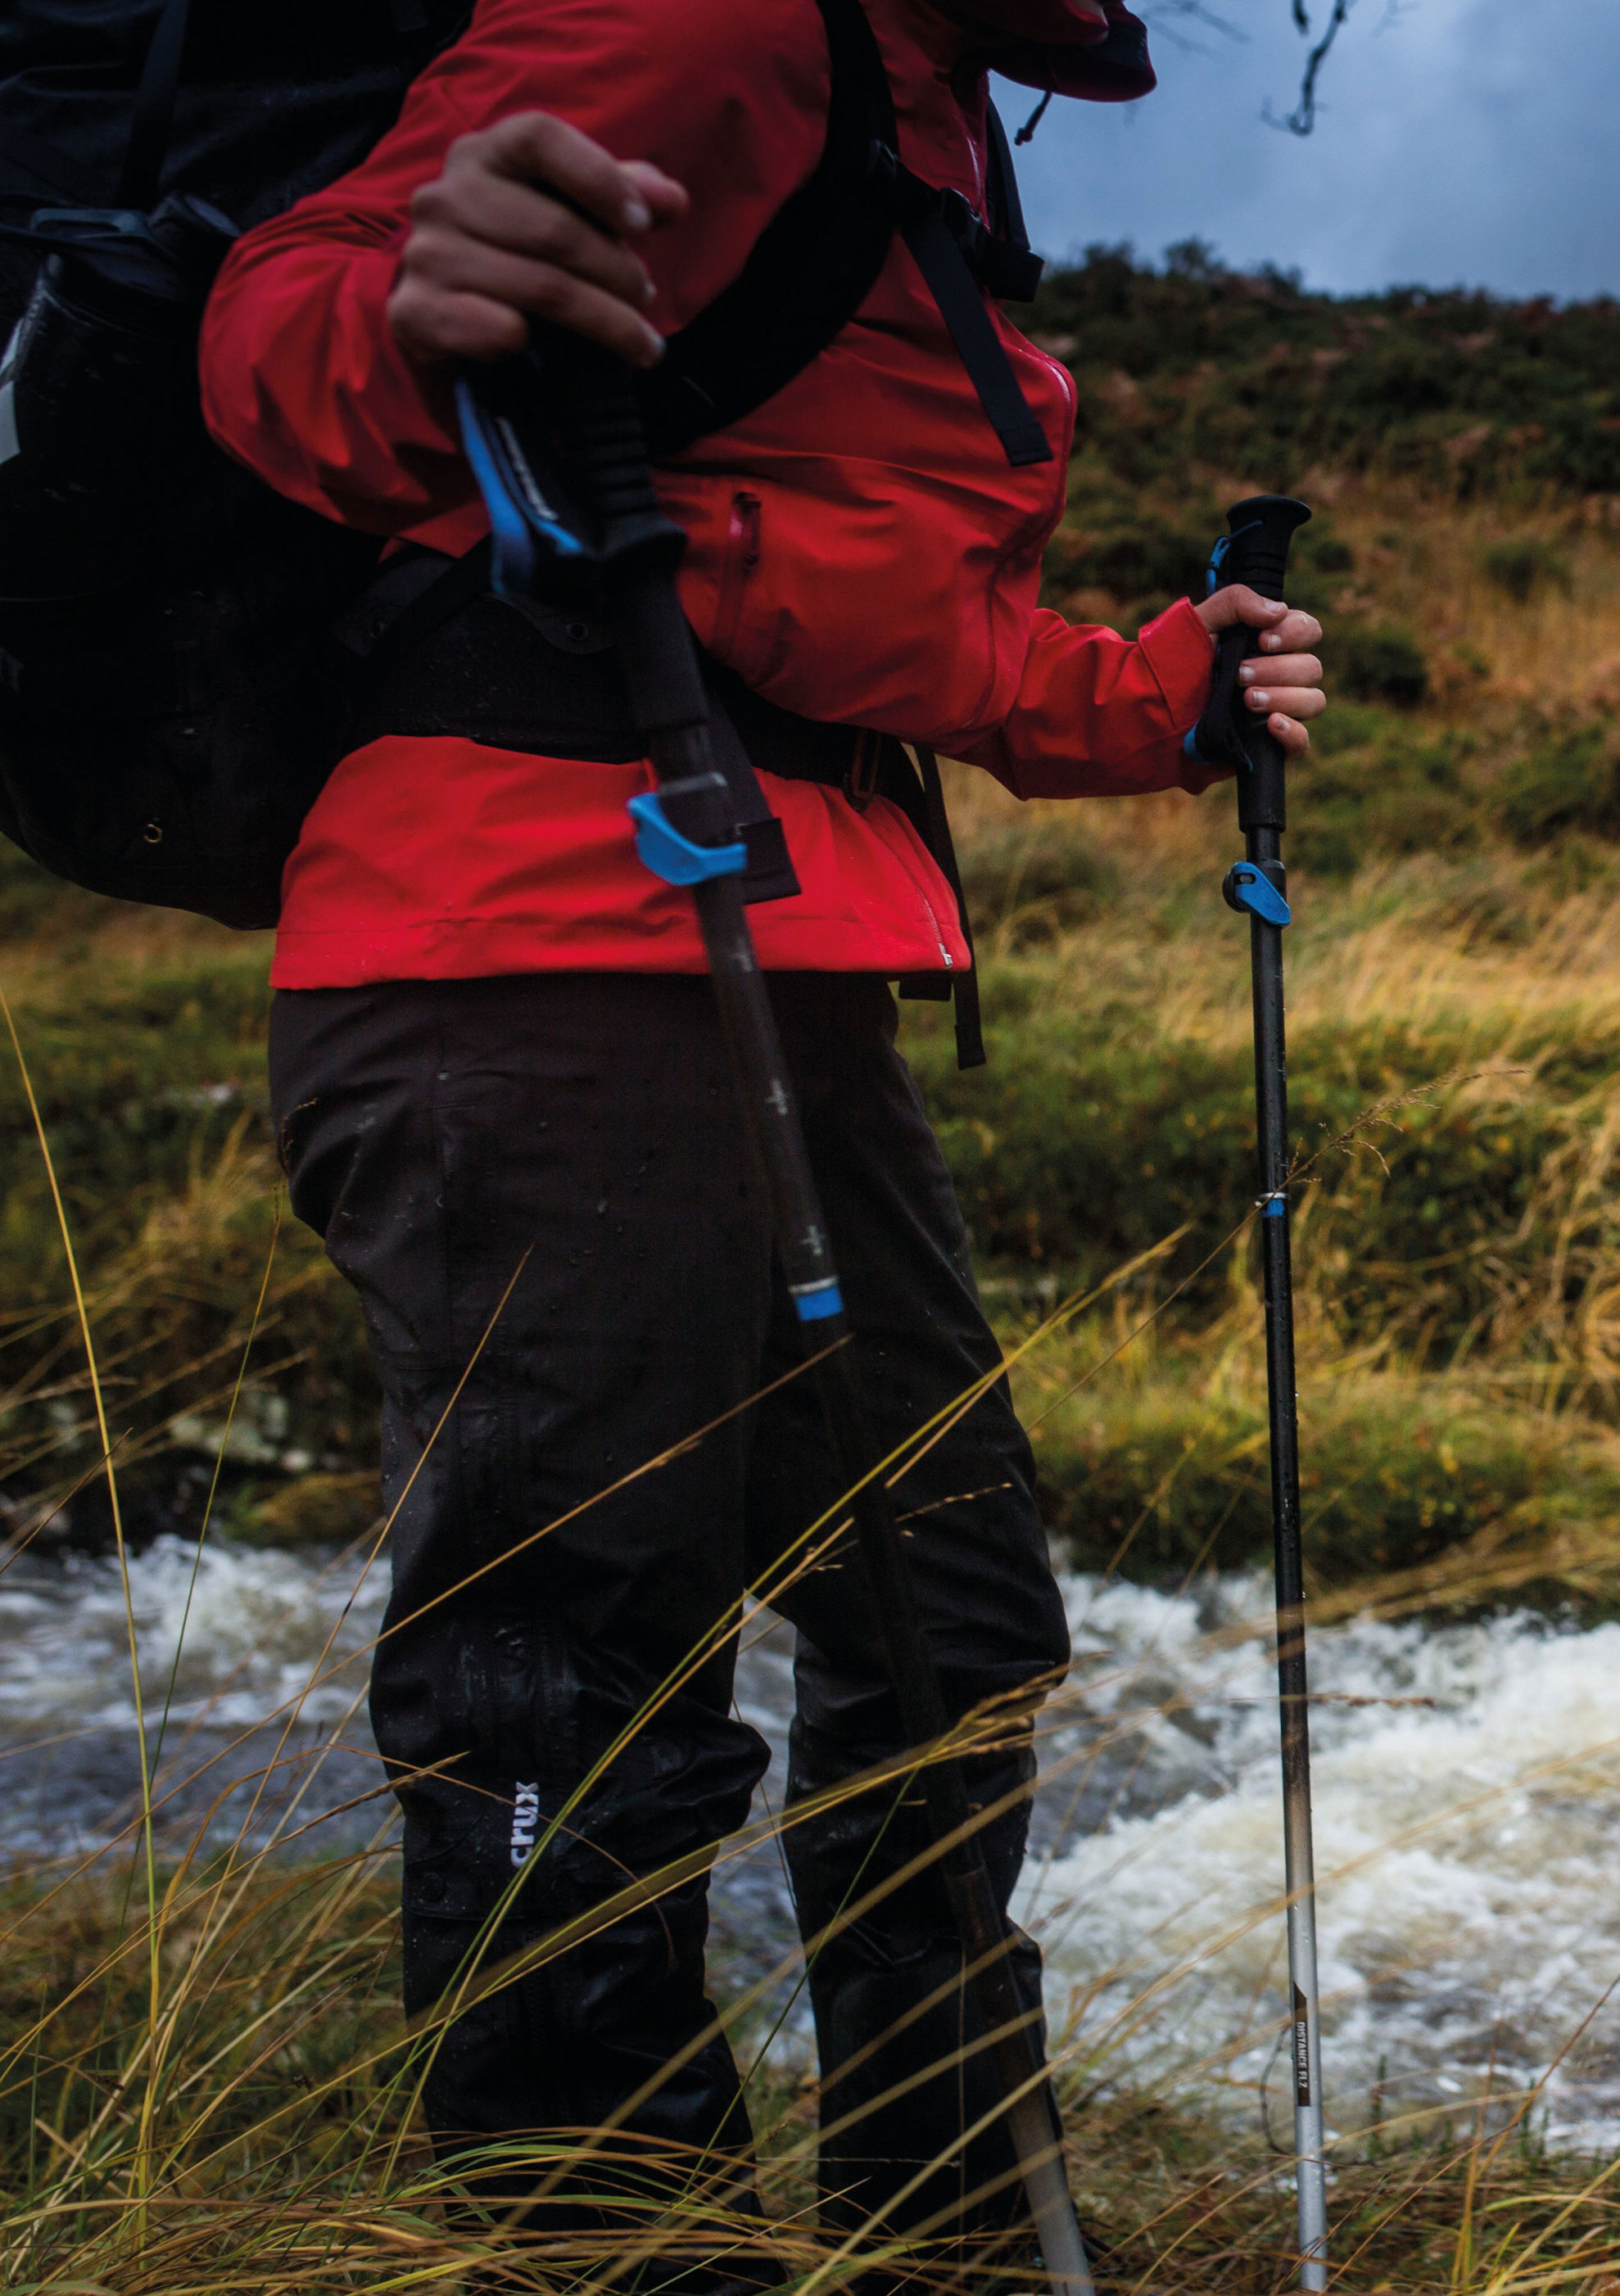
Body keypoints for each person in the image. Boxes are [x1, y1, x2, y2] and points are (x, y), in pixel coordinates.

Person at [195, 0, 1328, 2277]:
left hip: (768, 951)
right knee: (579, 1700)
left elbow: (850, 602)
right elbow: (281, 327)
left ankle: (944, 2233)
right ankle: (627, 2253)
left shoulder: (915, 96)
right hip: (531, 952)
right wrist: (425, 285)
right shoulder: (713, 15)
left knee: (952, 1618)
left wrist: (1157, 688)